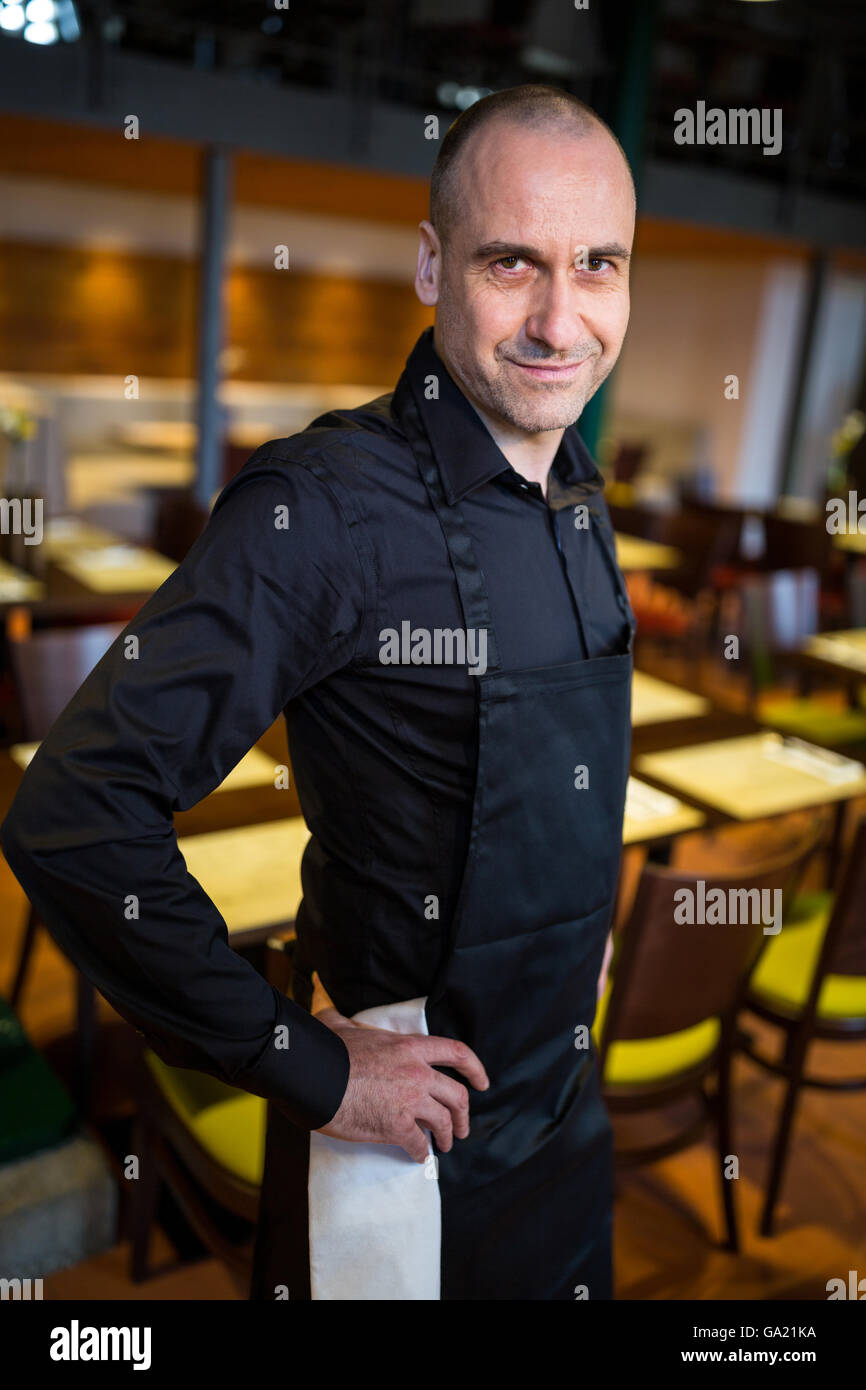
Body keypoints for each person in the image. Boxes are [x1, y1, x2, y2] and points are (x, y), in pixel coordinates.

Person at [1, 82, 636, 1301]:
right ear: (430, 263)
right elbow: (75, 811)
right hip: (397, 1127)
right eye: (512, 263)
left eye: (597, 264)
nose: (562, 318)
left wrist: (578, 936)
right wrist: (307, 1063)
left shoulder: (577, 492)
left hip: (560, 1102)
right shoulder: (324, 506)